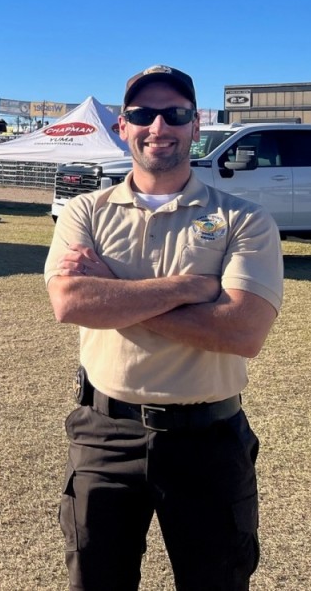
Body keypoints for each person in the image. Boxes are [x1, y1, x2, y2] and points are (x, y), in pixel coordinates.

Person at [45, 64, 284, 591]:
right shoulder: (86, 212)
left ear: (195, 125)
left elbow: (242, 333)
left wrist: (114, 292)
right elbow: (70, 301)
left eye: (175, 113)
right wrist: (188, 287)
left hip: (209, 440)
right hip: (105, 437)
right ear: (123, 126)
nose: (159, 126)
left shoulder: (243, 220)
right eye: (142, 114)